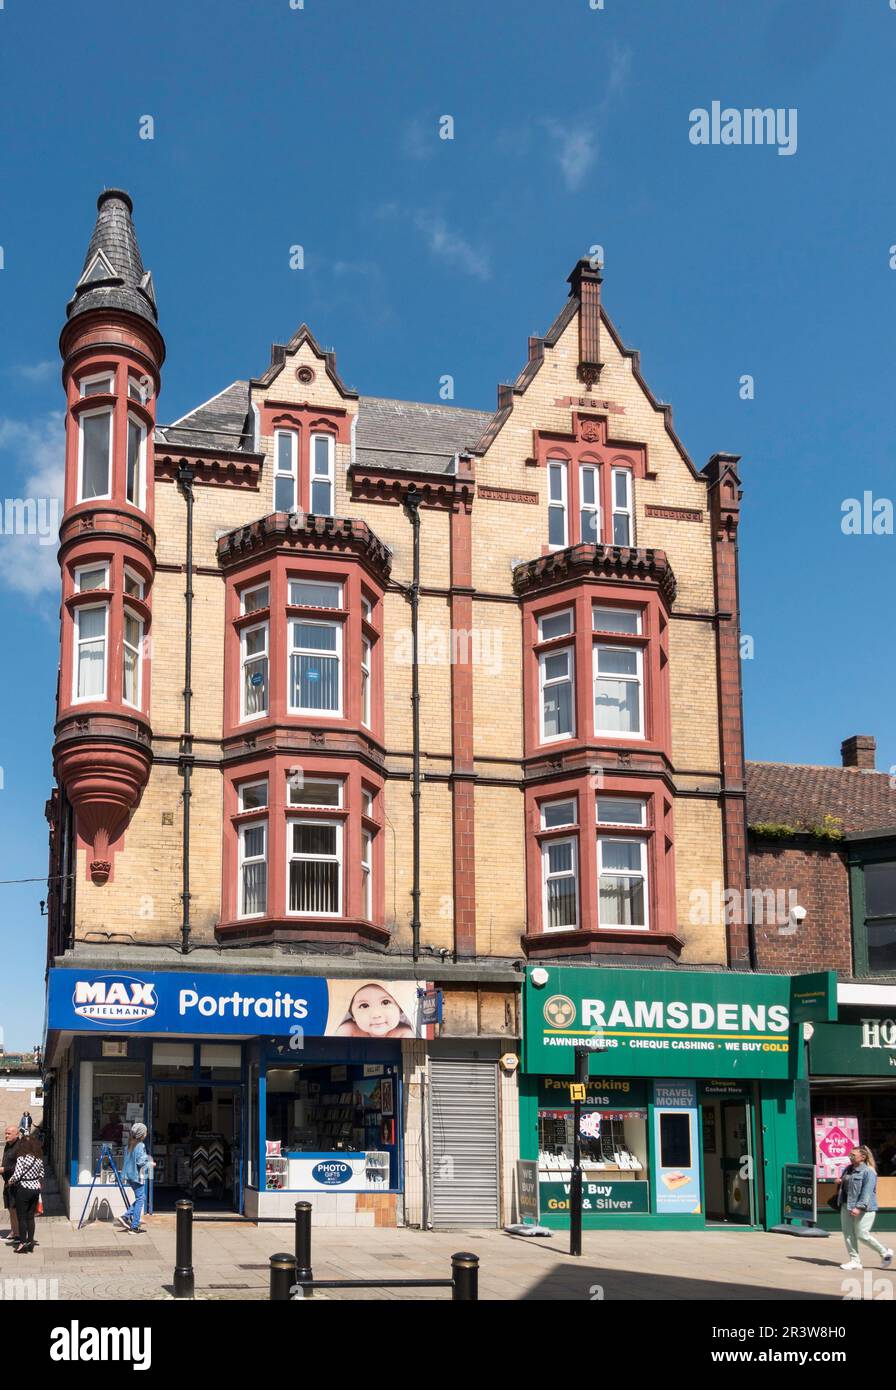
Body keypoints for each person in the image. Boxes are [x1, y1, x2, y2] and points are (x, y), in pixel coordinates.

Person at [837, 1145, 894, 1271]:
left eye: (853, 1155)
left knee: (862, 1234)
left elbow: (867, 1192)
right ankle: (855, 1261)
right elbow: (848, 1184)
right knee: (848, 1233)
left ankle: (884, 1252)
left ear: (863, 1157)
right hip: (846, 1204)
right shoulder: (848, 1169)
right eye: (850, 1154)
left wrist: (859, 1207)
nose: (850, 1157)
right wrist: (840, 1181)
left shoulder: (869, 1172)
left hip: (864, 1208)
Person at [334, 983, 415, 1038]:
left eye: (385, 1002)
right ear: (352, 1015)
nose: (376, 1015)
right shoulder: (348, 1030)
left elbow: (413, 1057)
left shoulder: (404, 1033)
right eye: (364, 1006)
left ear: (400, 1009)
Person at [9, 1132, 44, 1254]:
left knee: (21, 1217)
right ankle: (30, 1242)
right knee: (30, 1217)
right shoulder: (38, 1159)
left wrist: (10, 1181)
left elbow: (17, 1175)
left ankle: (22, 1243)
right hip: (35, 1189)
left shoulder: (22, 1158)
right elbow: (41, 1174)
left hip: (23, 1189)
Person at [117, 1122, 151, 1233]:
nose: (146, 1134)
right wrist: (150, 1162)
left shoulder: (129, 1145)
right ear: (142, 1134)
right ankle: (133, 1225)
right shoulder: (140, 1145)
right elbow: (141, 1162)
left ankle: (126, 1218)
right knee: (141, 1199)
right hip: (137, 1176)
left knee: (140, 1198)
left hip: (129, 1176)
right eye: (145, 1132)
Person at [2, 1125, 23, 1244]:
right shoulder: (8, 1145)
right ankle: (14, 1231)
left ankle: (19, 1234)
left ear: (17, 1134)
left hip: (16, 1183)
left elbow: (20, 1167)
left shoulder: (20, 1147)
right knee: (11, 1209)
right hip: (8, 1183)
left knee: (15, 1209)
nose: (6, 1135)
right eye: (6, 1133)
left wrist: (4, 1169)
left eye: (9, 1133)